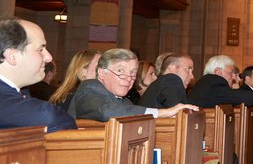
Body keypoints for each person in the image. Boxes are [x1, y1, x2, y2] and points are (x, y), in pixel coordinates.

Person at [68, 48, 198, 121]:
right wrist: (164, 112)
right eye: (120, 71)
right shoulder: (89, 87)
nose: (128, 79)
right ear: (102, 73)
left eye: (132, 73)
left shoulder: (126, 103)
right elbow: (105, 112)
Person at [0, 16, 76, 133]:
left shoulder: (21, 93)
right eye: (40, 49)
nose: (49, 57)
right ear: (12, 56)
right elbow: (49, 117)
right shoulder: (42, 114)